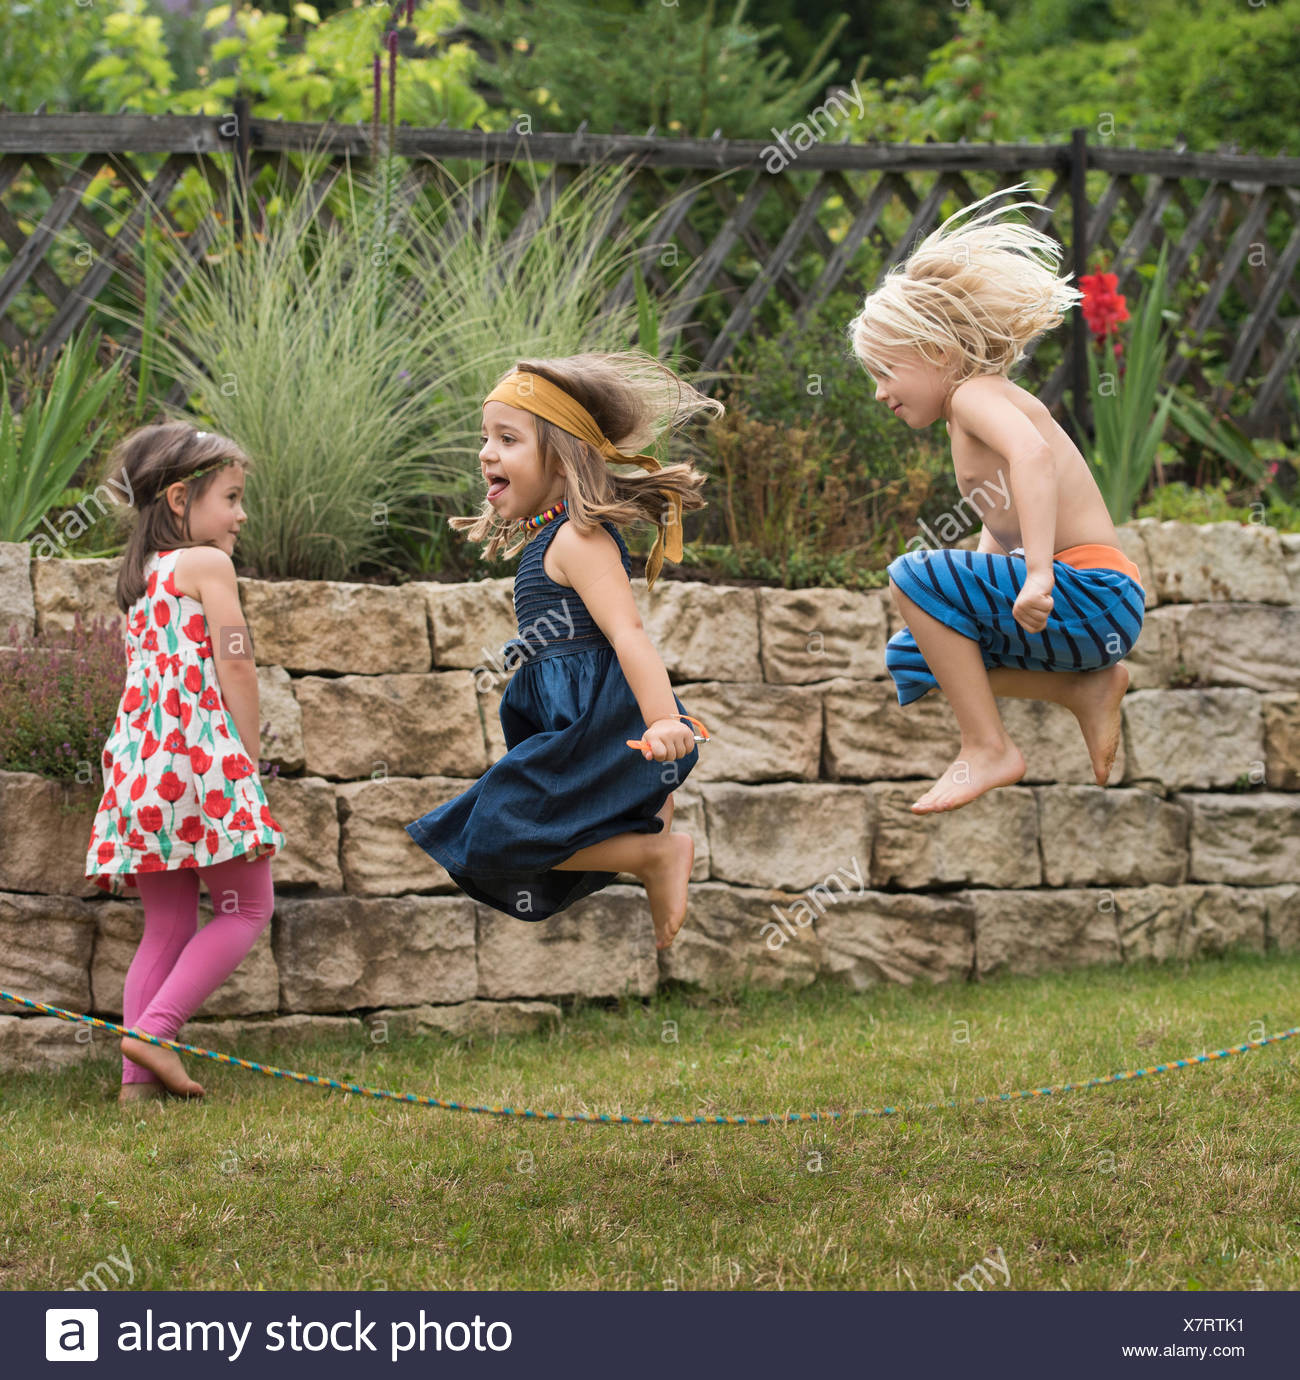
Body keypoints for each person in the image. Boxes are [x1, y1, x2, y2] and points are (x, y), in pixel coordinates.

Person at [405, 352, 722, 949]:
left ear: (561, 455)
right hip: (567, 713)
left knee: (497, 830)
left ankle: (655, 853)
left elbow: (627, 633)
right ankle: (650, 839)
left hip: (597, 718)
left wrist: (663, 719)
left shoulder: (579, 537)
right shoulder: (551, 537)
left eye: (507, 439)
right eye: (484, 438)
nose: (486, 453)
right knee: (517, 830)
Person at [847, 184, 1145, 814]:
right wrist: (994, 576)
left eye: (885, 372)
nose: (878, 393)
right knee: (914, 651)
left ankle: (987, 747)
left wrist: (1037, 573)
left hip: (1092, 593)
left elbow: (1033, 459)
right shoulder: (966, 412)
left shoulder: (973, 394)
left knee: (911, 575)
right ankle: (1082, 691)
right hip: (1084, 613)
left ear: (937, 352)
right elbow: (1000, 520)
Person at [84, 421, 284, 1104]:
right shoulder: (207, 566)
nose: (241, 514)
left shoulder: (141, 577)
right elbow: (236, 658)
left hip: (140, 769)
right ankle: (155, 1032)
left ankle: (137, 1088)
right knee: (246, 907)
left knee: (166, 925)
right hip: (199, 765)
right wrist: (246, 759)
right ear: (179, 499)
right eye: (230, 497)